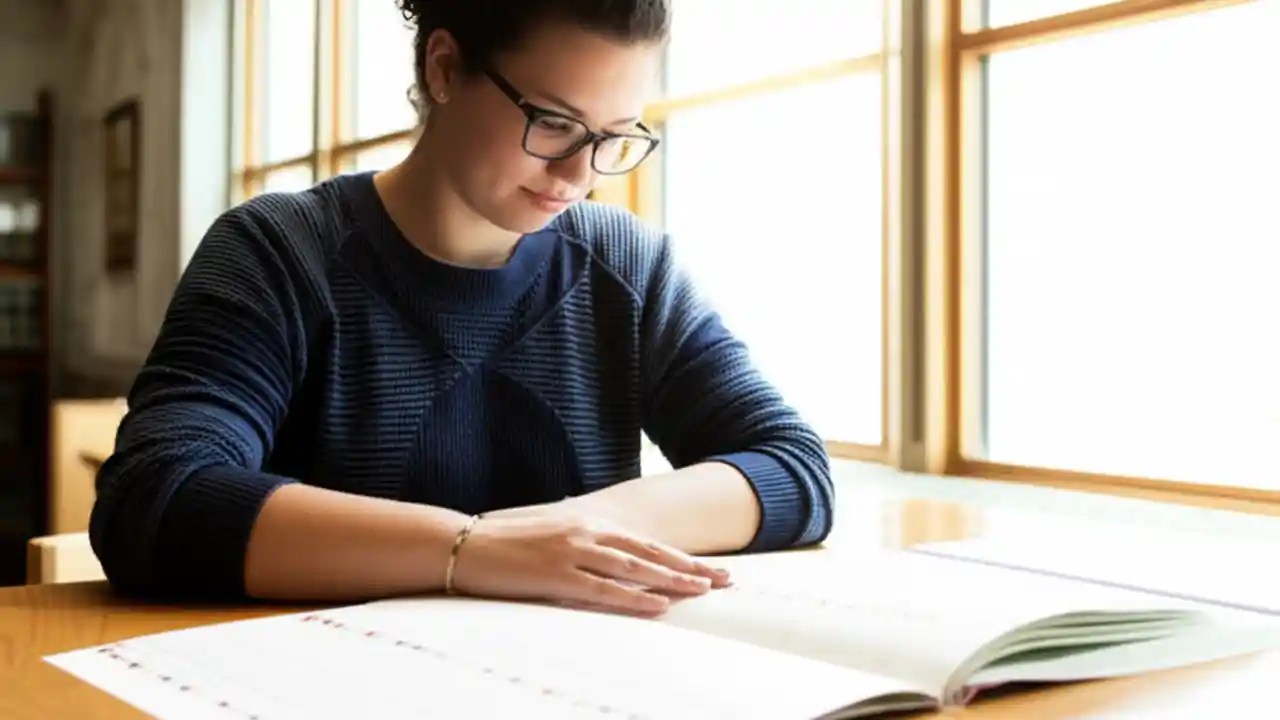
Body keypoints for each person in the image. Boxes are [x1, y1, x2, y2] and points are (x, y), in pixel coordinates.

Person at [89, 0, 834, 616]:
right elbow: (153, 500)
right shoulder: (280, 251)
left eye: (614, 138)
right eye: (553, 123)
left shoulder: (627, 266)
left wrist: (571, 535)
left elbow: (792, 467)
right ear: (444, 69)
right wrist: (468, 551)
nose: (580, 173)